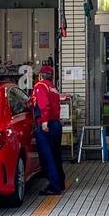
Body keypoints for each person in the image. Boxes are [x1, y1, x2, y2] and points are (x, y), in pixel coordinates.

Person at [31, 65, 66, 196]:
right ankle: (60, 182)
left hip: (46, 124)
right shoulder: (53, 87)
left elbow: (44, 104)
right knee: (56, 154)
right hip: (56, 124)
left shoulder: (40, 86)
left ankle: (54, 186)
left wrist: (44, 121)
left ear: (40, 75)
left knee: (47, 156)